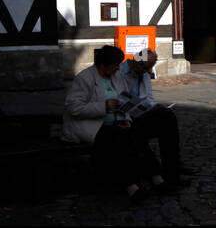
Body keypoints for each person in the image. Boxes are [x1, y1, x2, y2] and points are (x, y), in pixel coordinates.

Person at [64, 45, 165, 203]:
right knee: (117, 141)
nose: (119, 69)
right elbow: (74, 108)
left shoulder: (116, 78)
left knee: (136, 135)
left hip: (114, 124)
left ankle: (156, 177)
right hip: (93, 126)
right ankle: (131, 186)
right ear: (103, 65)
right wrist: (103, 106)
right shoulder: (85, 78)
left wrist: (127, 120)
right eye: (115, 65)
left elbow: (125, 102)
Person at [116, 49, 192, 184]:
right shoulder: (119, 72)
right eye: (144, 67)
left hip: (141, 115)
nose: (145, 71)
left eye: (149, 68)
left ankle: (172, 168)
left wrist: (156, 106)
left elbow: (148, 98)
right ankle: (163, 172)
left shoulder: (144, 74)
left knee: (168, 117)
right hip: (124, 117)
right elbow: (118, 98)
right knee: (156, 123)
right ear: (136, 61)